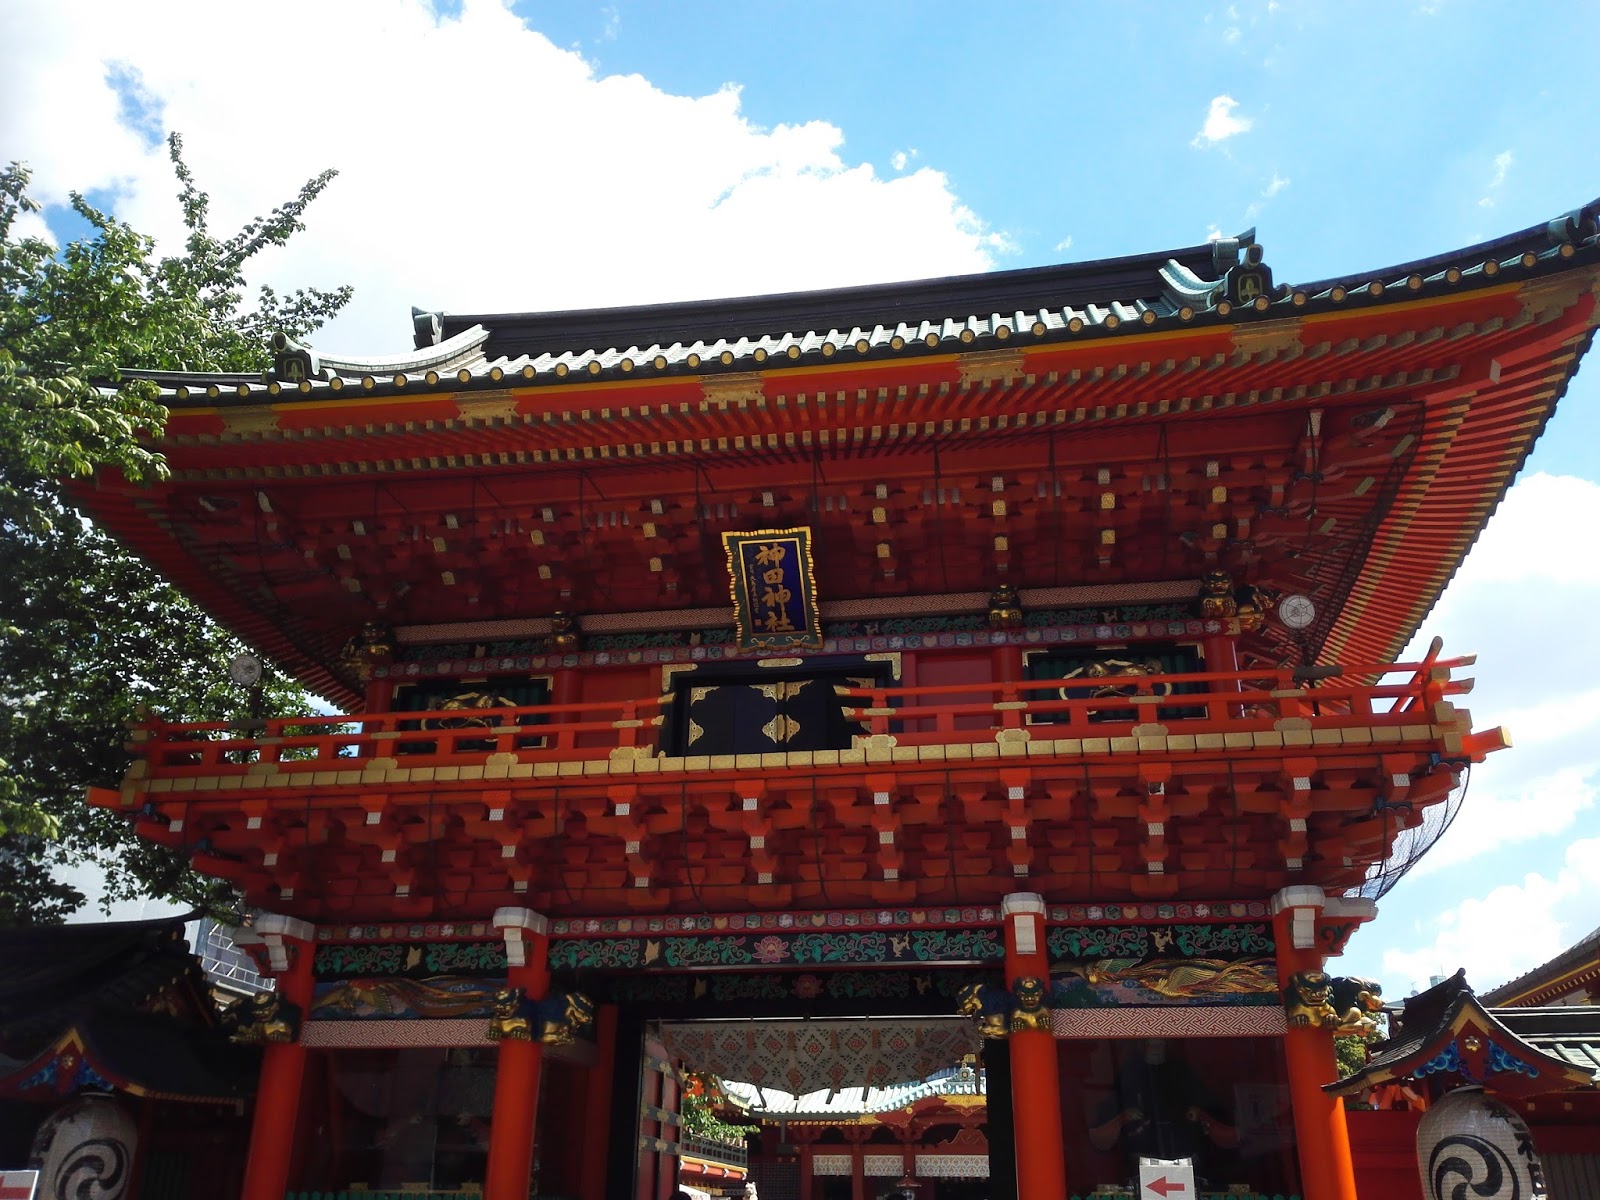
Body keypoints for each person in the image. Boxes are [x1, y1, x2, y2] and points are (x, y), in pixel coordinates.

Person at [1087, 1040, 1238, 1170]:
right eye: (1151, 1044)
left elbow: (1203, 1100)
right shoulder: (1131, 1070)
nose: (1155, 1048)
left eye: (1159, 1044)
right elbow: (1116, 1103)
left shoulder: (1180, 1070)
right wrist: (1126, 1116)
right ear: (1143, 1046)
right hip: (1142, 1142)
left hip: (1180, 1141)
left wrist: (1197, 1112)